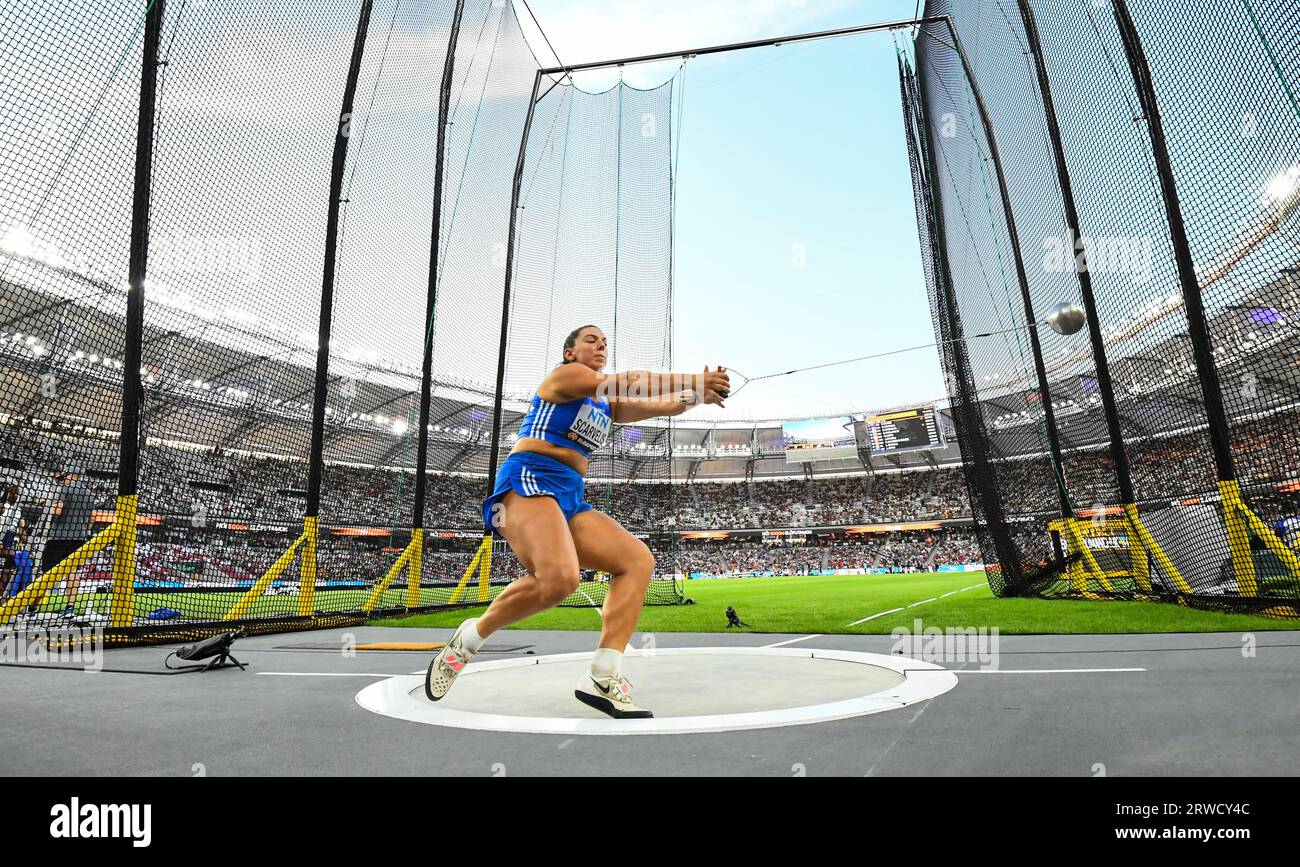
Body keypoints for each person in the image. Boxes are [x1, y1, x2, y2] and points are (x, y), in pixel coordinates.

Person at [426, 325, 729, 718]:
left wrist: (697, 396)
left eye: (605, 343)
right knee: (560, 580)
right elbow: (633, 381)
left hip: (568, 494)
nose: (600, 346)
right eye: (591, 340)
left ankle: (603, 676)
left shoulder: (605, 403)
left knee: (637, 561)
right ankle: (470, 639)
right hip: (530, 477)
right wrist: (695, 377)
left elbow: (663, 406)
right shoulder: (564, 377)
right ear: (570, 353)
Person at [41, 465, 95, 616]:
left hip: (59, 536)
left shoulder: (65, 489)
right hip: (79, 537)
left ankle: (31, 608)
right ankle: (69, 608)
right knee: (73, 571)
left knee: (46, 572)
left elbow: (58, 510)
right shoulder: (89, 493)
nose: (63, 479)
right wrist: (86, 530)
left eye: (65, 477)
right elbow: (93, 516)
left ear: (71, 475)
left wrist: (51, 518)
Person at [0, 483, 23, 596]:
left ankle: (3, 594)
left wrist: (19, 531)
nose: (14, 495)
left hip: (10, 535)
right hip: (1, 533)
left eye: (15, 493)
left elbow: (20, 526)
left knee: (7, 568)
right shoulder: (3, 506)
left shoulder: (17, 509)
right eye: (12, 493)